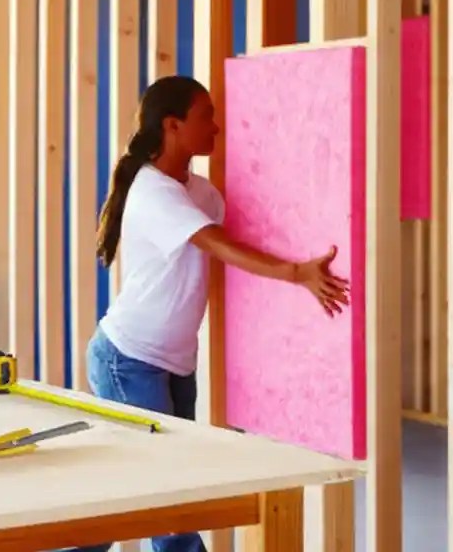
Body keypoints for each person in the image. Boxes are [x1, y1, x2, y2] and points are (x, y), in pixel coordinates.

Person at [70, 75, 349, 552]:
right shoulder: (154, 192)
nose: (217, 128)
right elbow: (215, 243)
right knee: (170, 498)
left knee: (140, 495)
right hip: (129, 359)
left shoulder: (202, 192)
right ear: (173, 126)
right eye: (207, 117)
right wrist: (297, 272)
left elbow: (226, 253)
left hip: (175, 362)